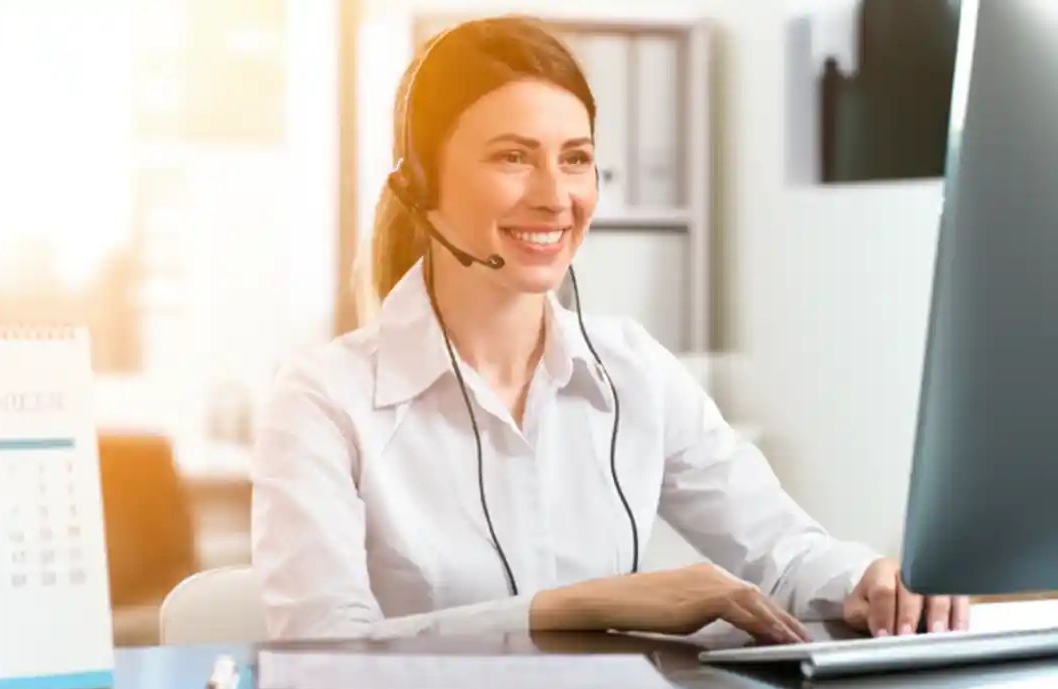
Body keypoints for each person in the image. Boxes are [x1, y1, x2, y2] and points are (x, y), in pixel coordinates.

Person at [249, 15, 969, 642]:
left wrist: (869, 579)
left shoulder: (631, 368)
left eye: (576, 159)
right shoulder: (324, 399)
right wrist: (580, 607)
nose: (555, 196)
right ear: (421, 184)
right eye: (512, 157)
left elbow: (782, 549)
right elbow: (323, 648)